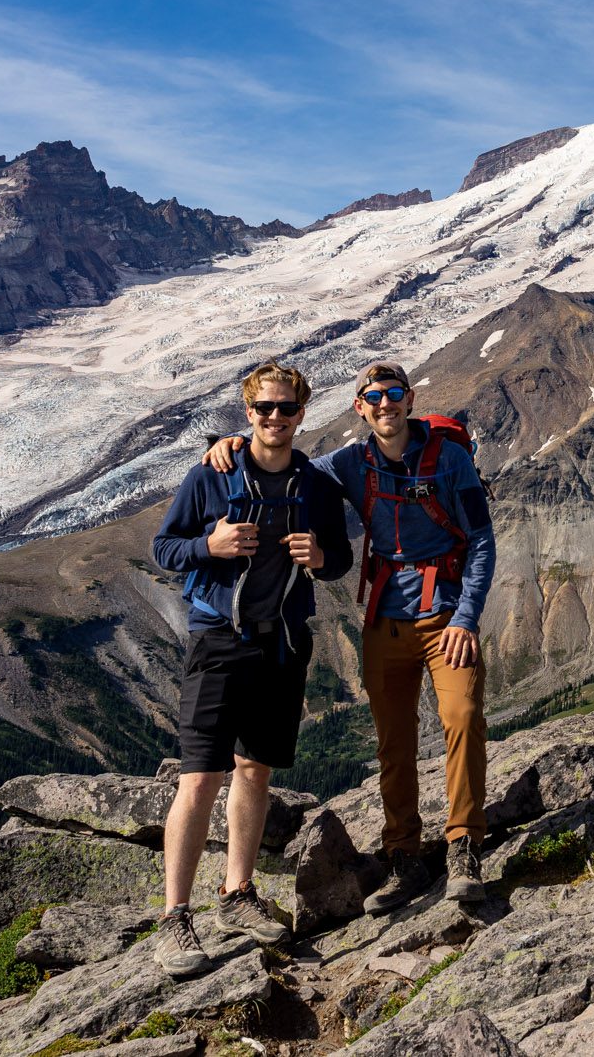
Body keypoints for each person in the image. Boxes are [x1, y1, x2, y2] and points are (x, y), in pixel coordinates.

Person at [205, 360, 495, 912]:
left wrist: (466, 617)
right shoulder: (349, 463)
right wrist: (231, 445)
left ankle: (463, 845)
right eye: (373, 397)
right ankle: (404, 856)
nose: (384, 404)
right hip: (385, 617)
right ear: (359, 407)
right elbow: (285, 460)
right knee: (393, 741)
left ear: (409, 400)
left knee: (461, 719)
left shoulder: (451, 459)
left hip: (446, 612)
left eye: (393, 394)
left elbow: (481, 540)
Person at [149, 361, 353, 977]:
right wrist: (206, 547)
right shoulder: (210, 476)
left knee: (254, 769)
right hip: (219, 640)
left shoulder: (314, 486)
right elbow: (163, 547)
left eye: (286, 409)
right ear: (248, 412)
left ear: (301, 413)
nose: (275, 418)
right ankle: (174, 916)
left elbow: (340, 557)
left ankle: (237, 893)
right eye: (264, 408)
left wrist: (321, 556)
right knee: (199, 778)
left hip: (282, 644)